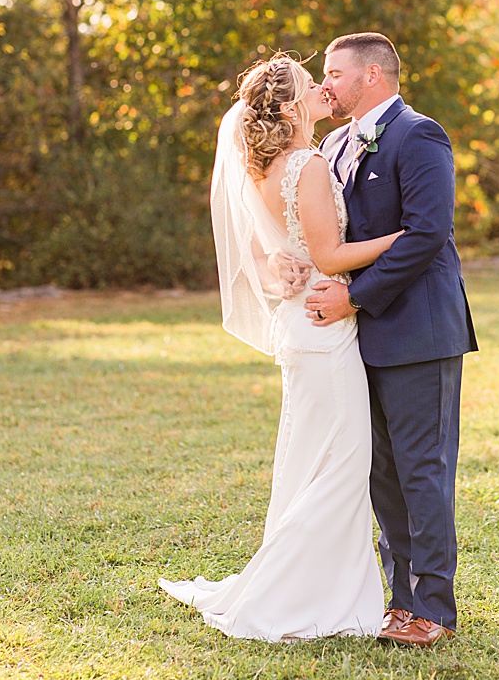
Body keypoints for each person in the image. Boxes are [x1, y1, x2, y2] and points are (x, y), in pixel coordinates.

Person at [159, 54, 402, 640]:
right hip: (323, 328)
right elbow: (329, 257)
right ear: (291, 107)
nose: (323, 89)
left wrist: (277, 263)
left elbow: (265, 249)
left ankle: (306, 589)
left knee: (310, 462)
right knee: (341, 467)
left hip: (302, 325)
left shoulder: (266, 168)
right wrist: (402, 238)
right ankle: (307, 598)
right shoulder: (307, 164)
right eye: (310, 84)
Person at [303, 32, 477, 648]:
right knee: (381, 472)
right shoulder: (332, 144)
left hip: (419, 331)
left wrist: (354, 296)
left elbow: (426, 234)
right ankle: (399, 600)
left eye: (334, 73)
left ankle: (432, 609)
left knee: (422, 470)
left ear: (372, 75)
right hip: (358, 338)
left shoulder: (419, 135)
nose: (325, 84)